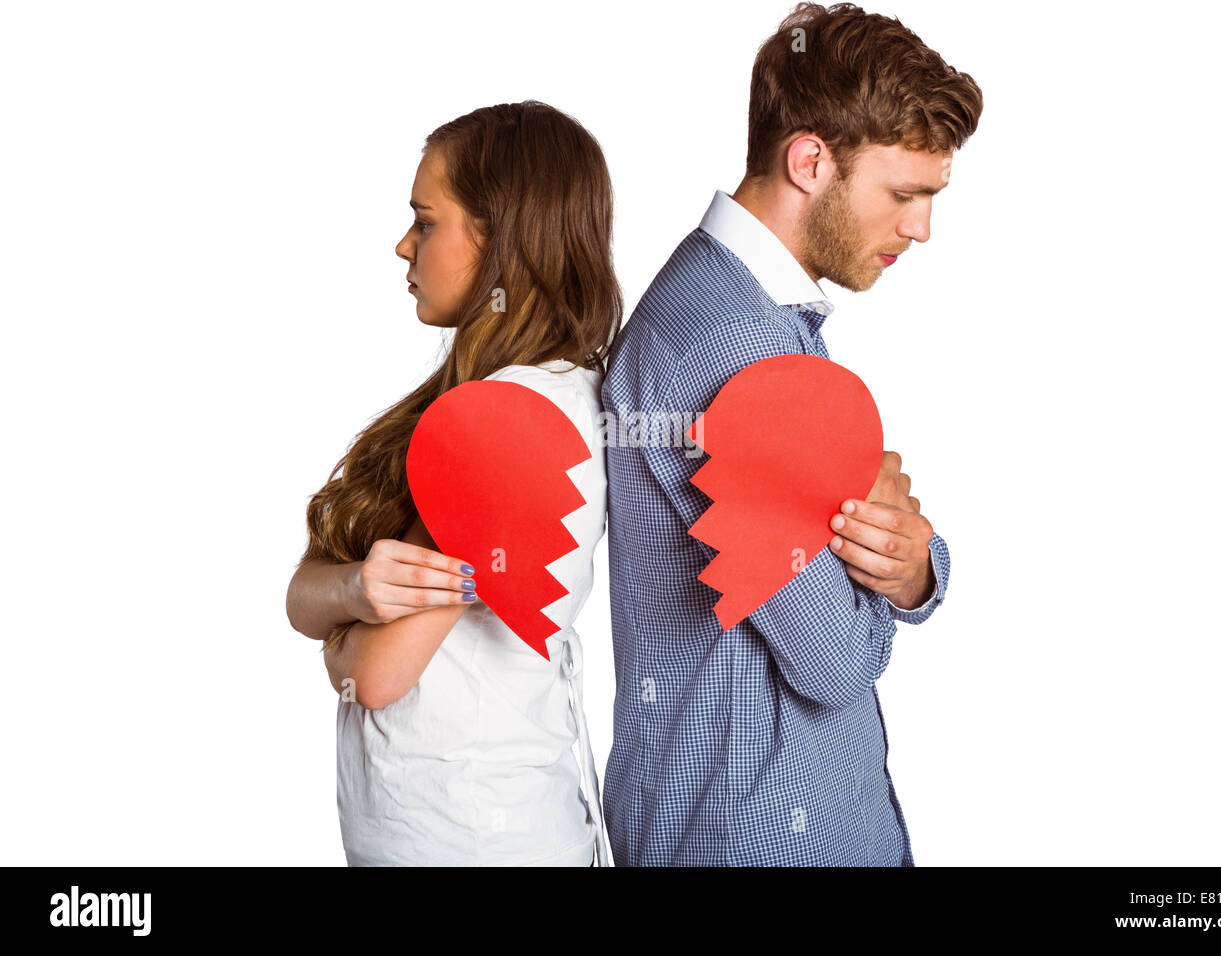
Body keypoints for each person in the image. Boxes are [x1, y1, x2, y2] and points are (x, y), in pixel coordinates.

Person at [600, 4, 983, 865]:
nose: (922, 228)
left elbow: (864, 557)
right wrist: (882, 597)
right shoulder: (738, 342)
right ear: (810, 160)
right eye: (905, 193)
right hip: (762, 834)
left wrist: (913, 567)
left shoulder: (728, 304)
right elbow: (834, 661)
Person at [286, 101, 621, 866]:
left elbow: (374, 674)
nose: (403, 245)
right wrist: (350, 599)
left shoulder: (514, 420)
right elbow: (302, 593)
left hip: (481, 840)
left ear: (500, 237)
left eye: (426, 221)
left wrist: (341, 629)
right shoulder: (480, 398)